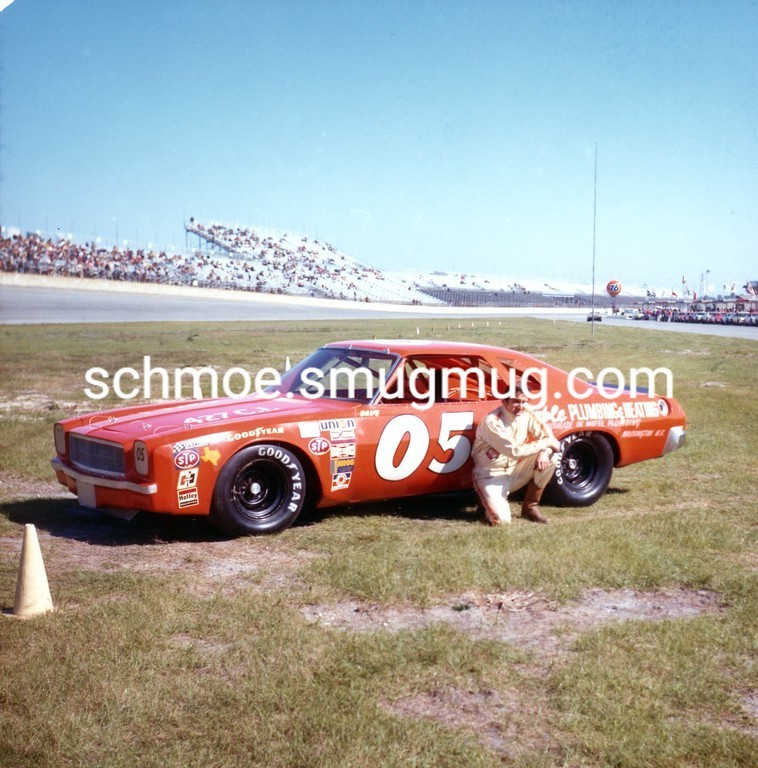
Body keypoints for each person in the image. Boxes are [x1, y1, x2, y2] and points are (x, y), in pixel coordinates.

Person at [472, 391, 561, 525]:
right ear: (504, 401)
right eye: (516, 401)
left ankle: (530, 507)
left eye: (524, 402)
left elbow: (552, 440)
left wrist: (544, 450)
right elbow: (514, 451)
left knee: (551, 458)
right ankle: (485, 503)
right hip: (491, 475)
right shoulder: (492, 421)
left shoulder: (526, 413)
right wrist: (546, 443)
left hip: (514, 470)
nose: (521, 406)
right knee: (502, 521)